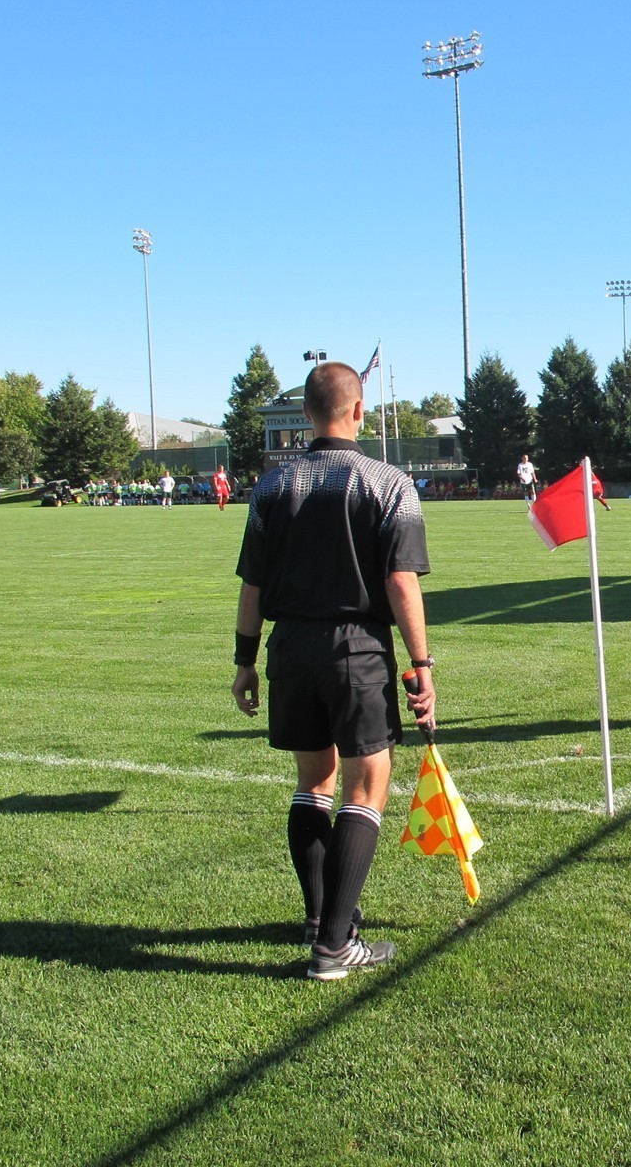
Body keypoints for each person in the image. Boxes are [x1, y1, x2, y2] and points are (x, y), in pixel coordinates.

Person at [230, 360, 435, 982]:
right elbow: (401, 582)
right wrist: (421, 663)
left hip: (290, 647)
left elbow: (252, 585)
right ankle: (334, 947)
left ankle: (321, 921)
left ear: (308, 413)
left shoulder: (272, 487)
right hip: (356, 649)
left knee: (312, 781)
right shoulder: (389, 483)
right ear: (359, 409)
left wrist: (244, 660)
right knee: (366, 784)